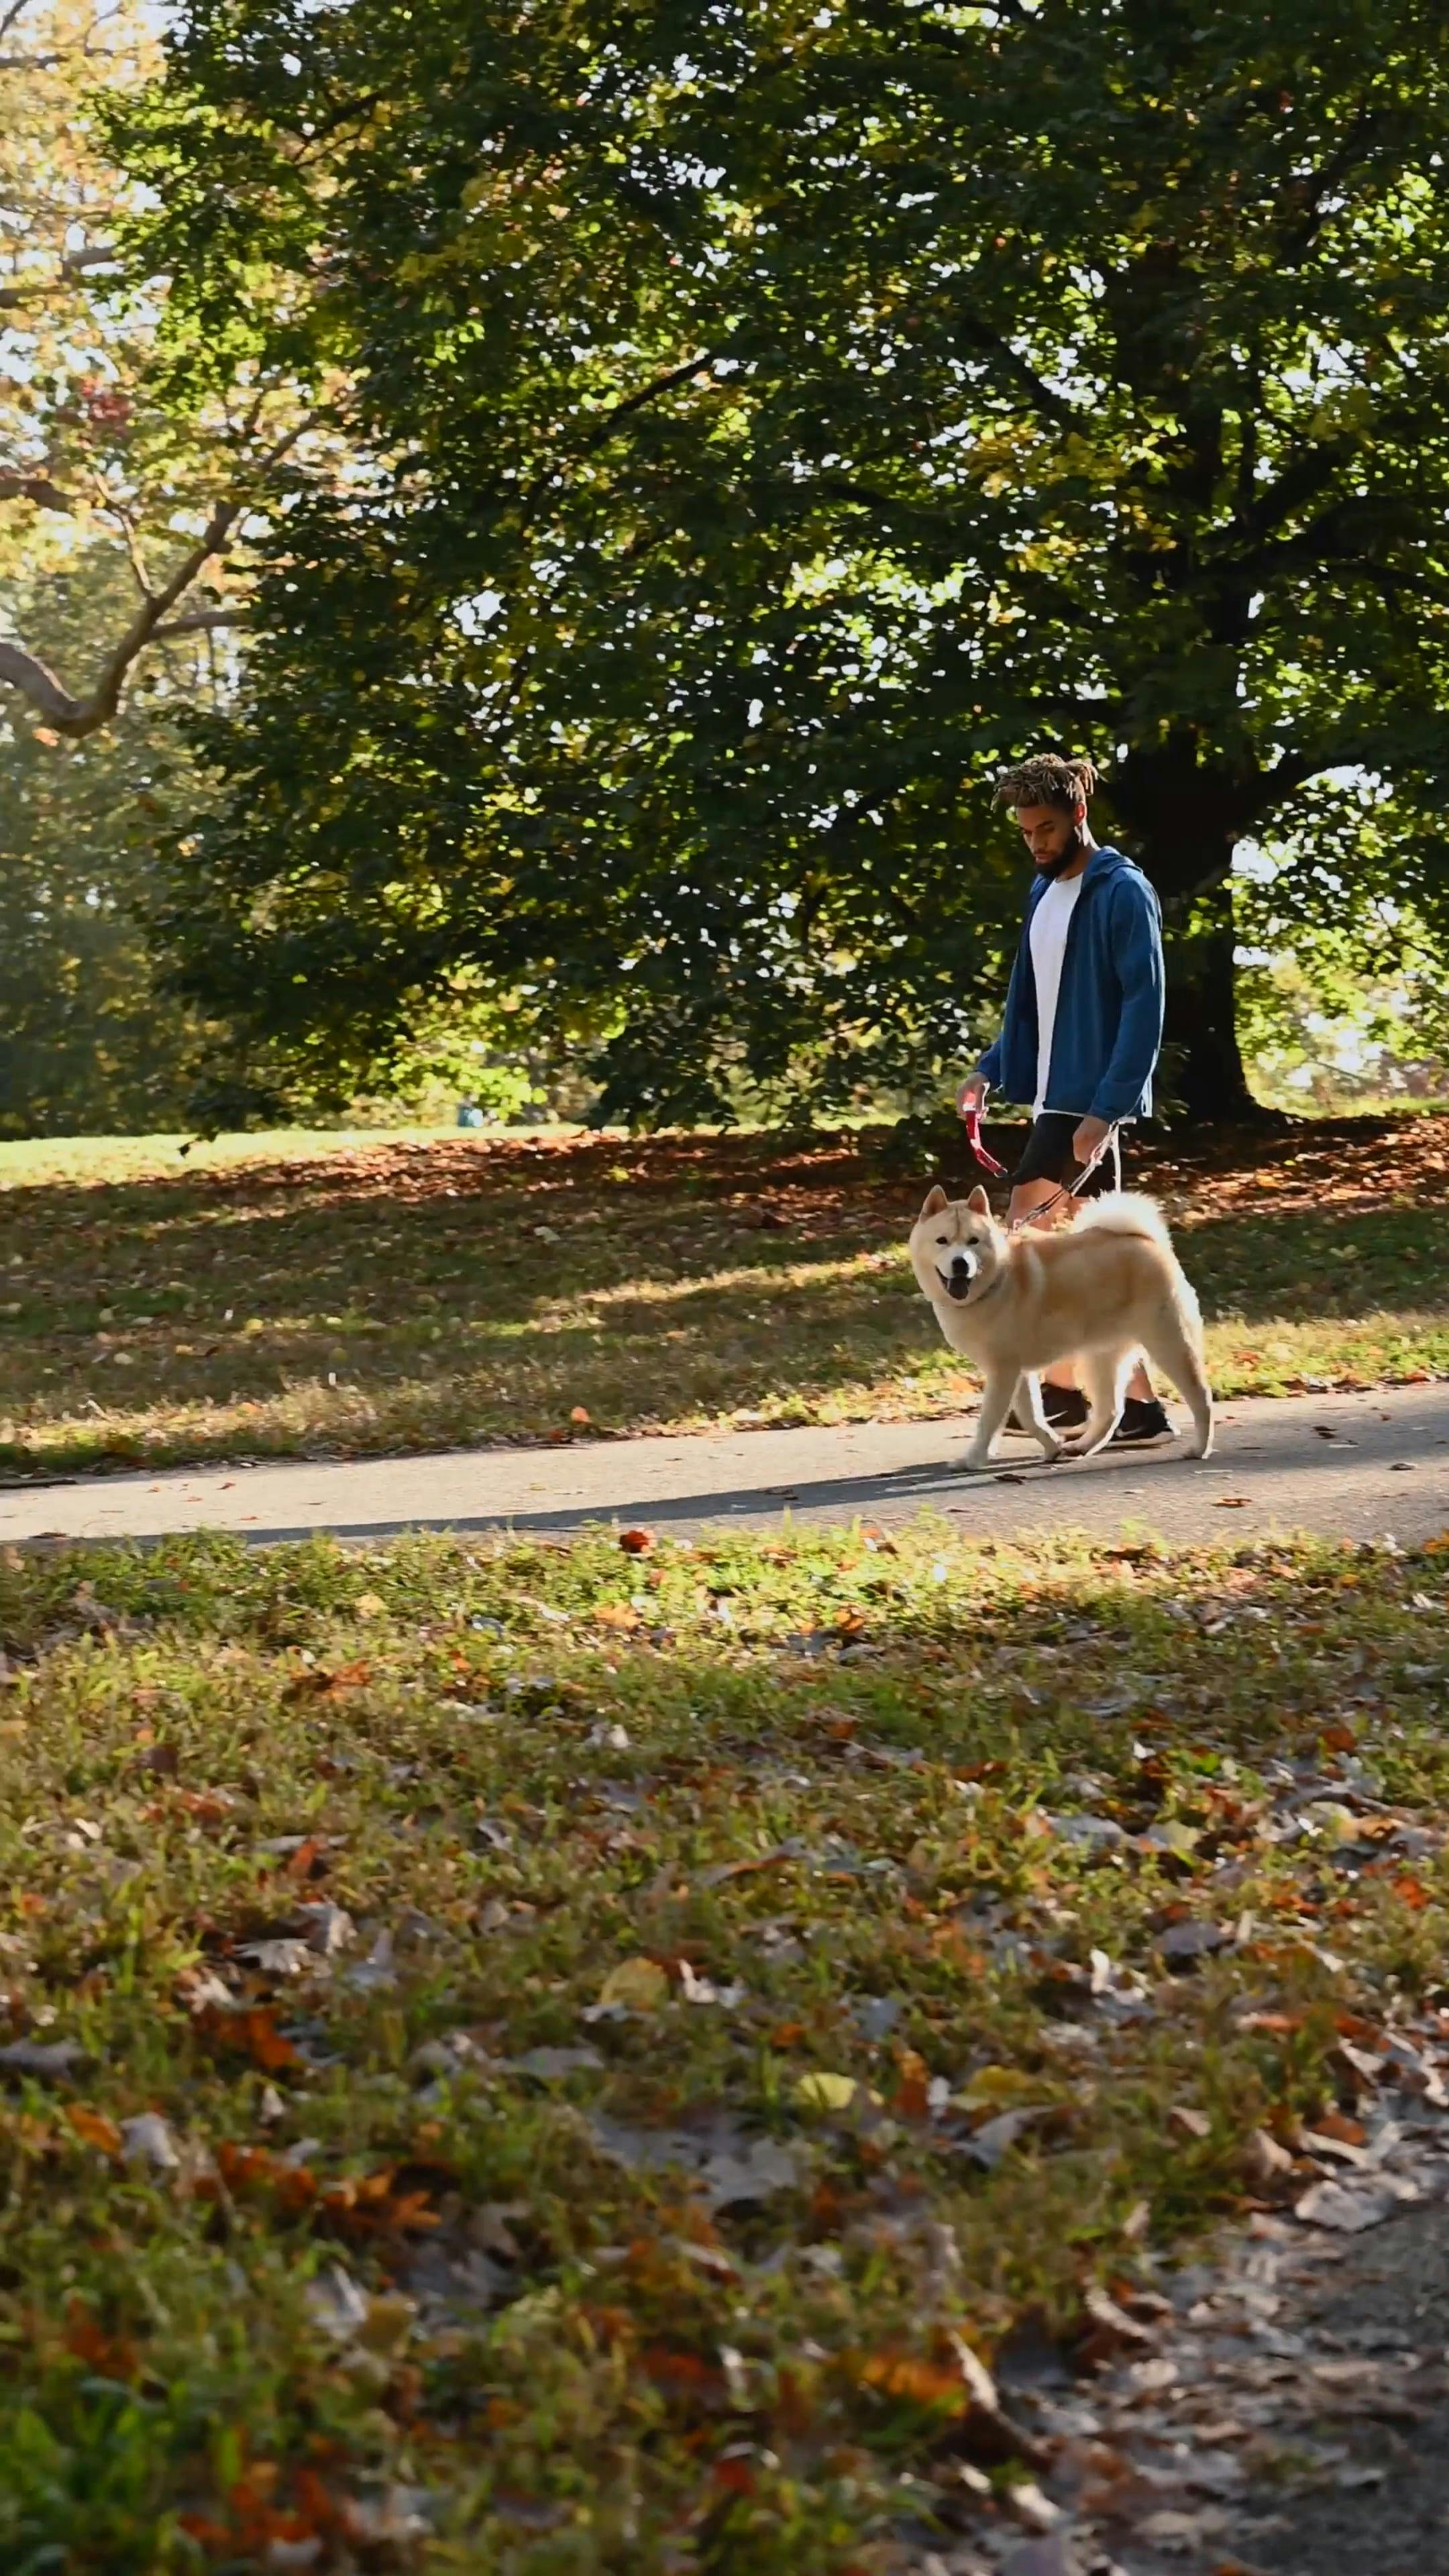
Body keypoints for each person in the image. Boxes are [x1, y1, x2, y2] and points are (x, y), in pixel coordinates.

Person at [955, 753, 1171, 1445]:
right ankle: (1122, 1406)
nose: (1038, 843)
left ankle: (1068, 1397)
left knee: (1024, 1235)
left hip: (1085, 1102)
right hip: (1051, 1095)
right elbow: (1031, 1003)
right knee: (1082, 1258)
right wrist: (989, 1070)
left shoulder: (1121, 891)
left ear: (1079, 814)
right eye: (1027, 833)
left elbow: (1145, 1005)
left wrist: (1107, 1110)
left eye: (1047, 828)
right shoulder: (1043, 895)